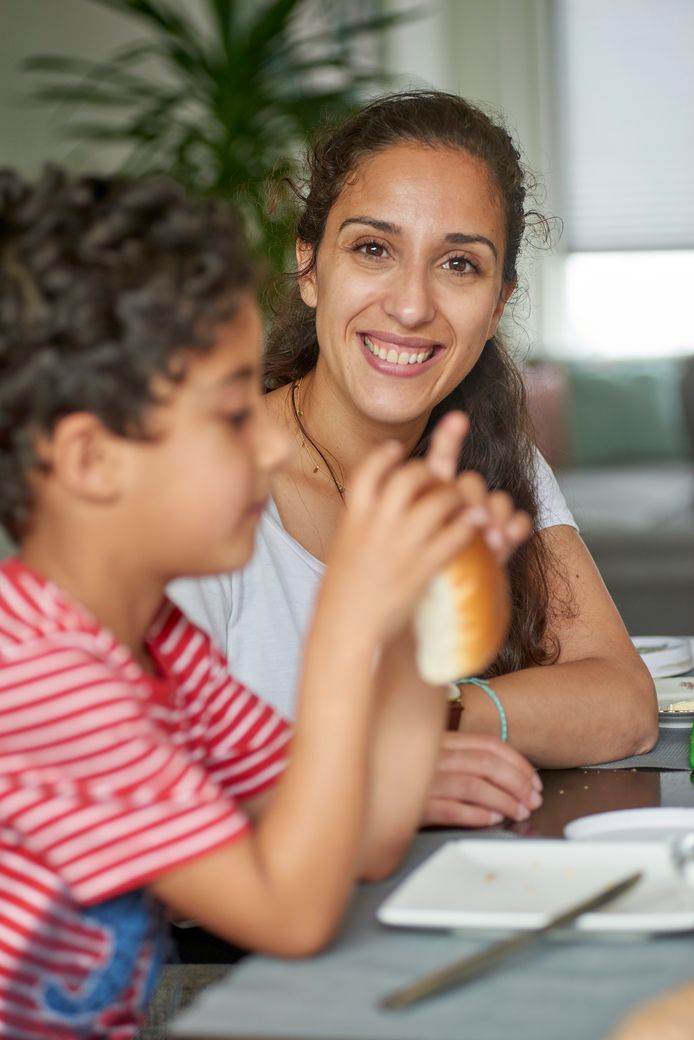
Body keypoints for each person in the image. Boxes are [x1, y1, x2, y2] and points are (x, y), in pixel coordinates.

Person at [0, 166, 532, 1039]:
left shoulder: (158, 646)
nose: (272, 451)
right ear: (92, 461)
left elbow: (362, 837)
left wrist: (405, 611)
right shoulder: (44, 681)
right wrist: (347, 618)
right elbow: (289, 912)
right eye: (228, 418)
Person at [172, 90, 658, 827]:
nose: (409, 305)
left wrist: (430, 723)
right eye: (373, 249)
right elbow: (135, 787)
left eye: (458, 264)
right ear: (309, 266)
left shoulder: (490, 450)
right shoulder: (199, 483)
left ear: (497, 304)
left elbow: (621, 702)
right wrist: (376, 774)